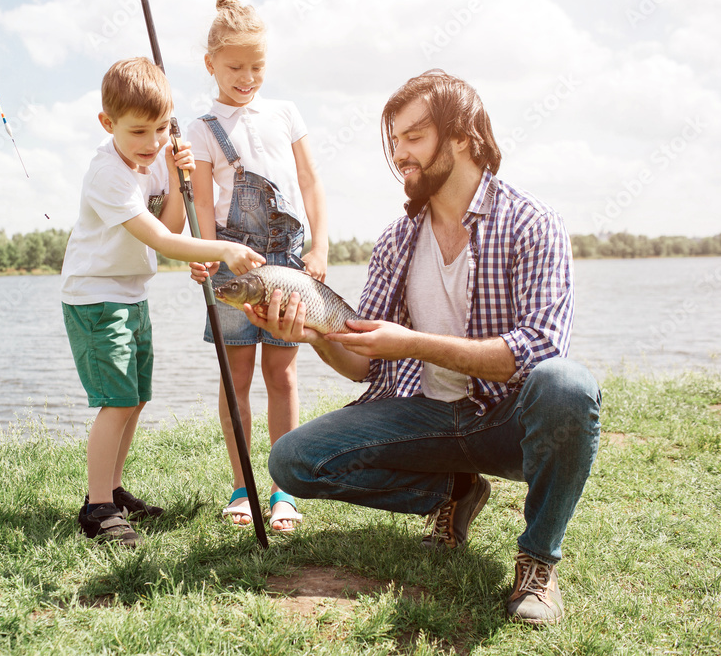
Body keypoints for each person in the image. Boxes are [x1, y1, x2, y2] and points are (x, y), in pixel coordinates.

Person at [245, 69, 601, 625]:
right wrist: (313, 336)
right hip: (426, 417)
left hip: (505, 421)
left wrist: (415, 343)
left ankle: (537, 560)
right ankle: (452, 492)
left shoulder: (532, 223)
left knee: (567, 386)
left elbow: (536, 350)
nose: (400, 156)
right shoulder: (397, 238)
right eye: (394, 142)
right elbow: (364, 361)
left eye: (413, 138)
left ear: (461, 137)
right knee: (293, 462)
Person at [61, 57, 264, 547]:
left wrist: (177, 176)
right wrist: (221, 250)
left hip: (131, 294)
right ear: (107, 124)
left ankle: (111, 487)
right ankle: (96, 507)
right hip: (96, 299)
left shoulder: (147, 163)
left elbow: (174, 223)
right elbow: (163, 241)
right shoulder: (108, 174)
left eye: (159, 130)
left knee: (137, 398)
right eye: (138, 132)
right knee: (118, 400)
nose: (151, 143)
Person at [187, 0, 329, 534]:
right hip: (231, 259)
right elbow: (202, 204)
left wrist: (319, 247)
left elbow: (312, 182)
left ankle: (284, 489)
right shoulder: (201, 129)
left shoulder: (286, 113)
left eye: (257, 66)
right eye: (235, 67)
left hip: (287, 260)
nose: (247, 77)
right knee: (235, 376)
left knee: (283, 374)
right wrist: (203, 252)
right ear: (211, 65)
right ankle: (243, 485)